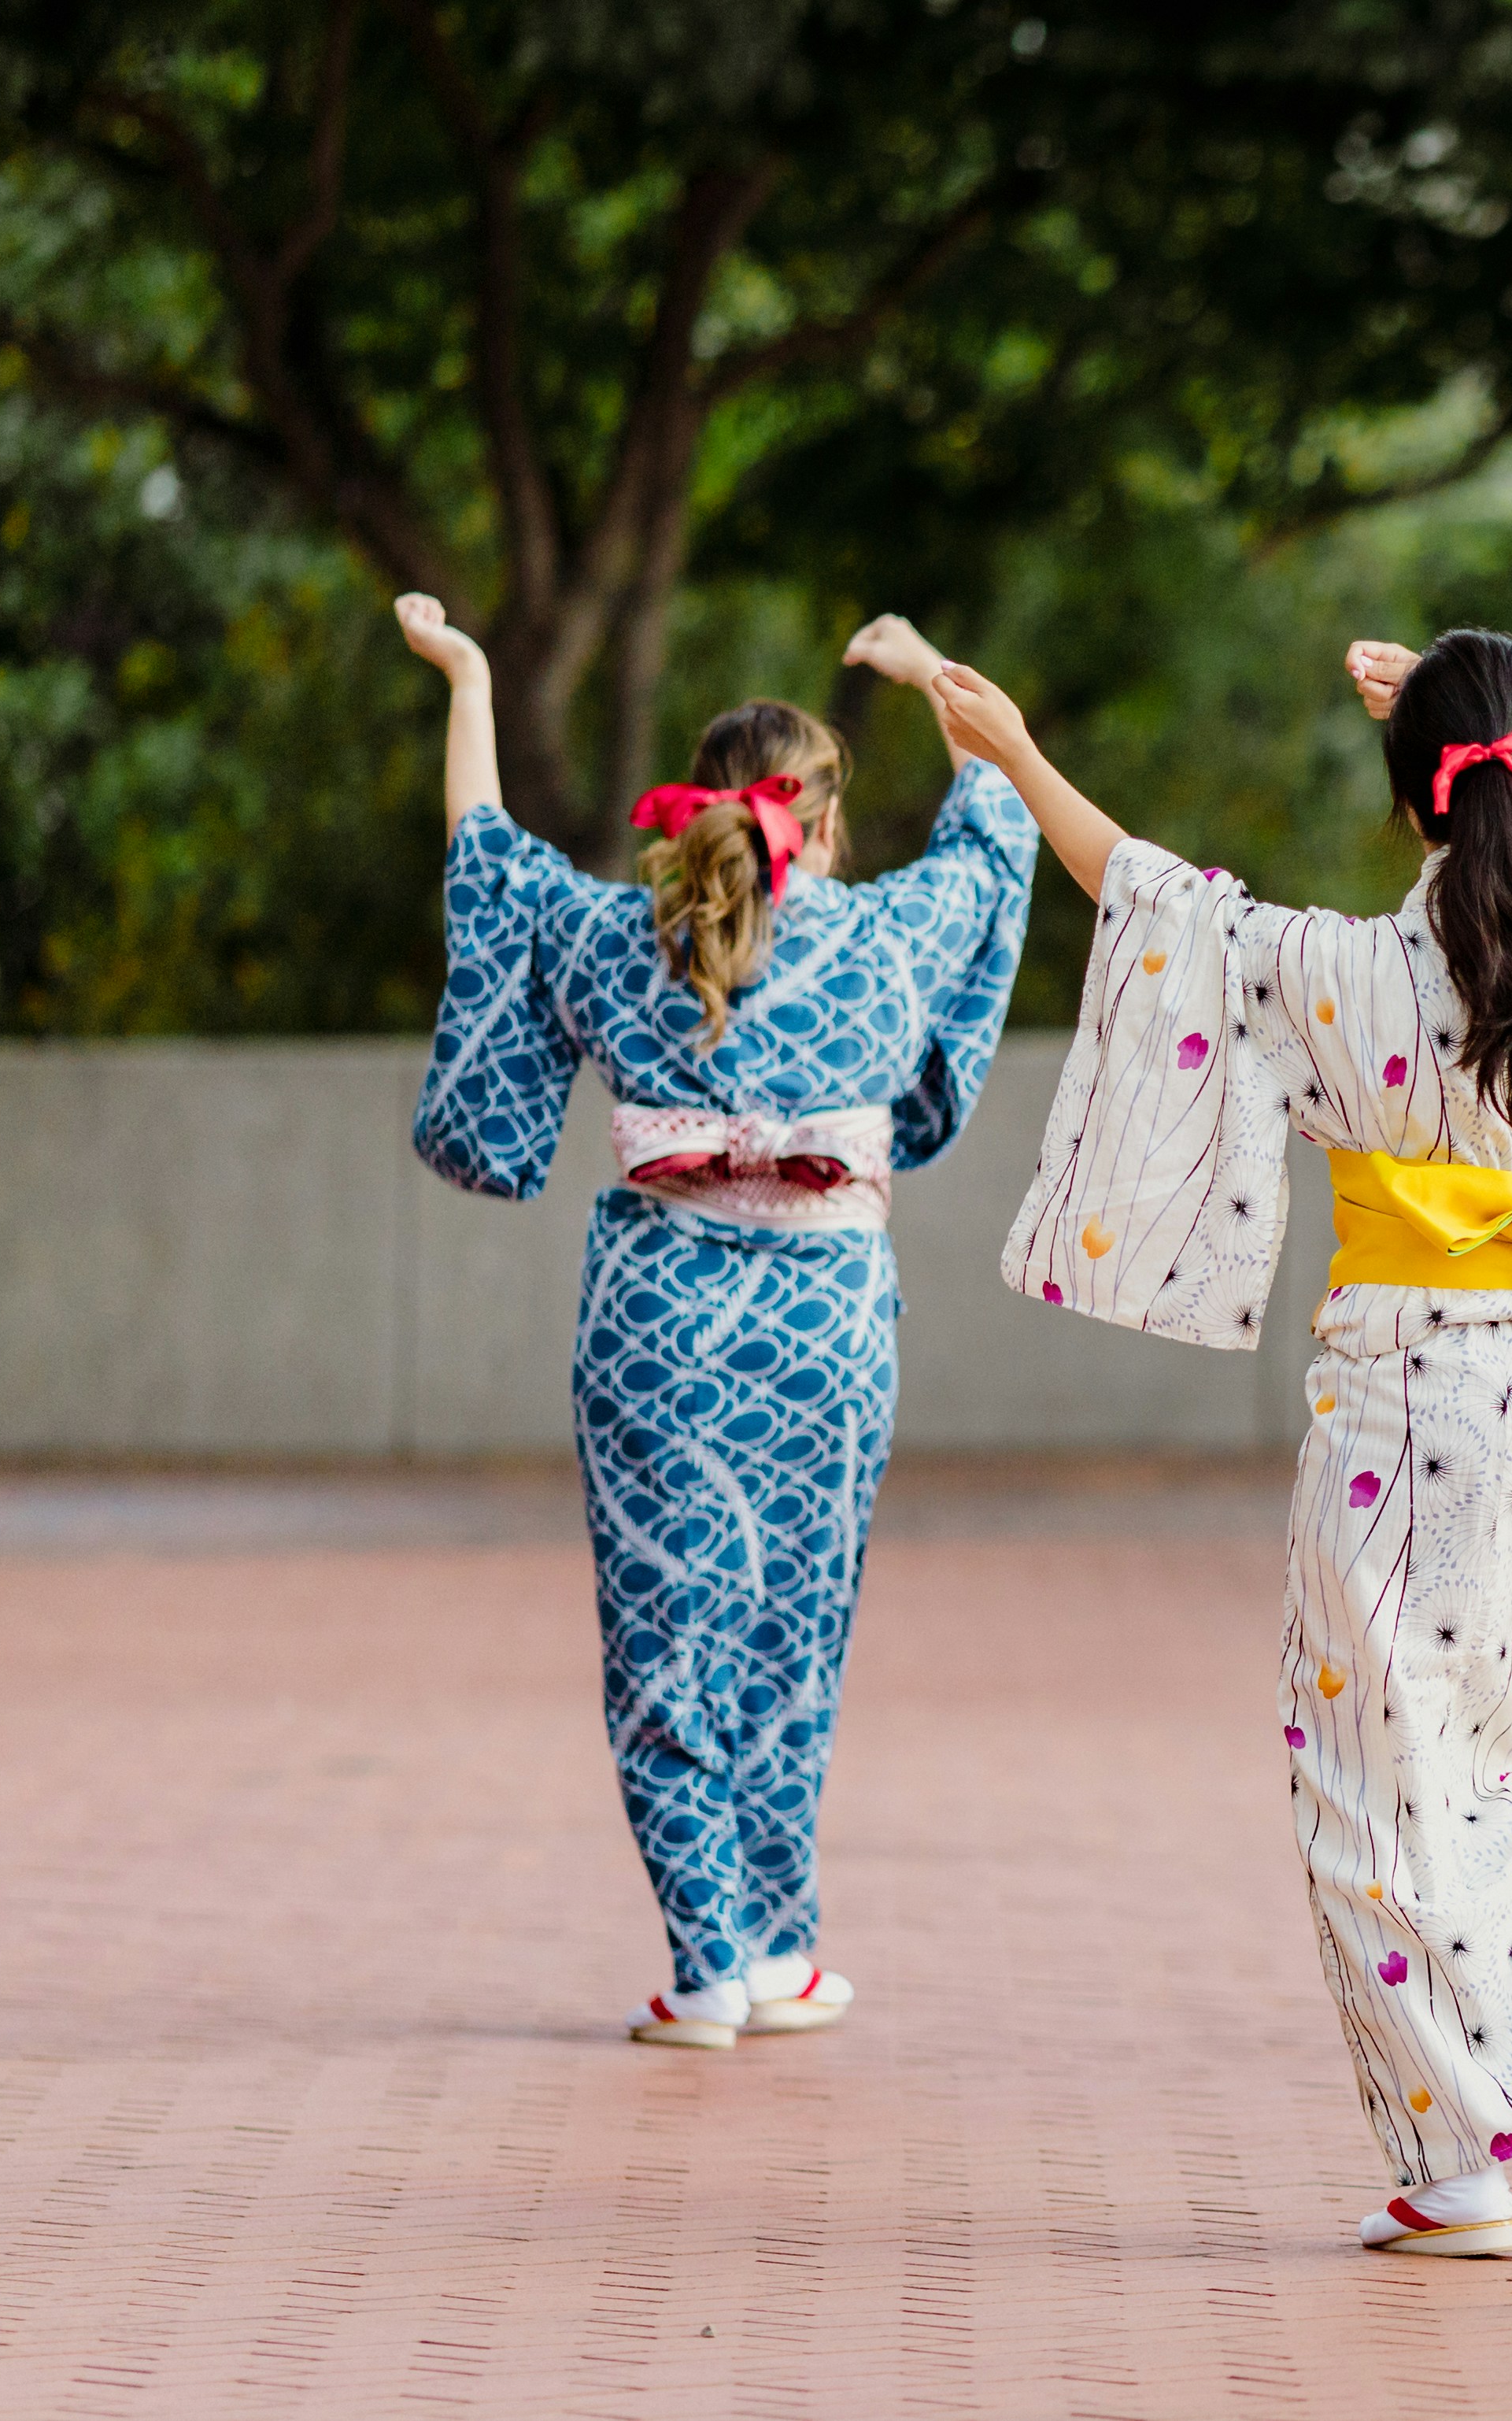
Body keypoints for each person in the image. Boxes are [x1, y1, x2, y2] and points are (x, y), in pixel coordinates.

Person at [931, 627, 1512, 2259]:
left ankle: (1452, 2158)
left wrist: (1012, 752)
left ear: (1406, 806)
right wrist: (1466, 719)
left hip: (1417, 1398)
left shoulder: (1349, 972)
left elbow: (1156, 897)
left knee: (1363, 1780)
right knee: (1486, 1758)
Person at [395, 596, 1039, 2051]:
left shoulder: (618, 936)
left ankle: (706, 1965)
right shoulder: (881, 942)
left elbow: (482, 854)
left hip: (656, 1321)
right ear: (818, 816)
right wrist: (928, 669)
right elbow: (995, 827)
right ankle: (779, 1948)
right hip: (826, 1329)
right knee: (792, 1636)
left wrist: (472, 675)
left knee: (664, 1635)